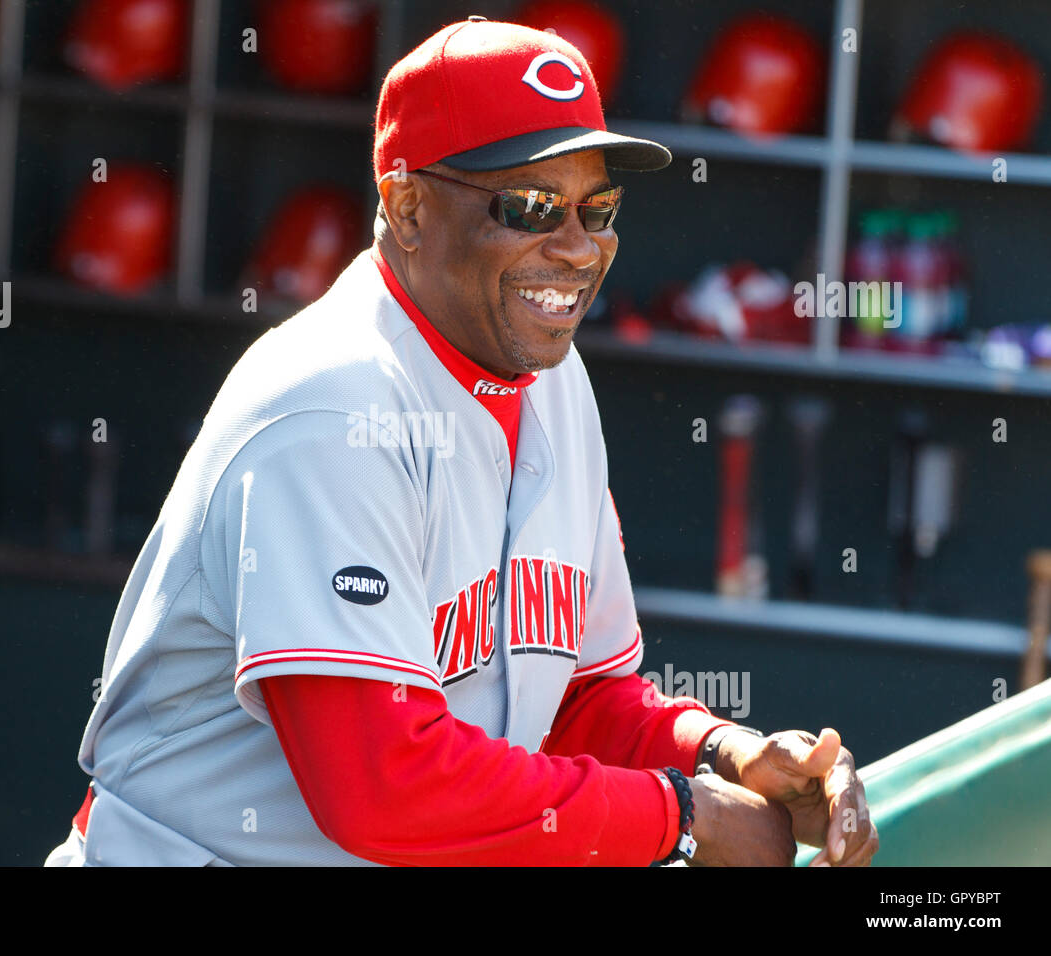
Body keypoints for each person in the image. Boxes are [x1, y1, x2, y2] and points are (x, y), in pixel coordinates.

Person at [46, 17, 878, 867]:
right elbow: (386, 787)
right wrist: (683, 817)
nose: (580, 248)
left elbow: (573, 699)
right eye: (530, 207)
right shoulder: (331, 407)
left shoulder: (551, 377)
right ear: (408, 207)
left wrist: (723, 755)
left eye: (599, 208)